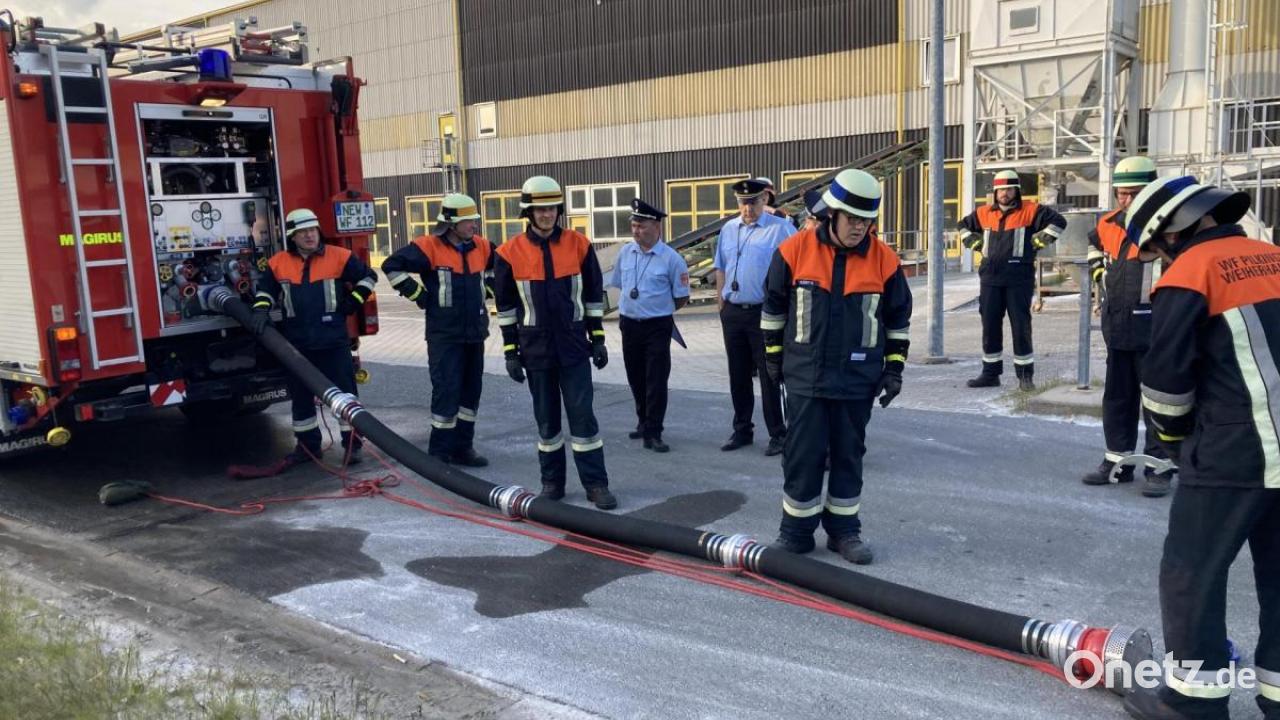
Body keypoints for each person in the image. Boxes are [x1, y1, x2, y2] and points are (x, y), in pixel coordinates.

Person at [1119, 175, 1280, 720]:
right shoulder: (1272, 255)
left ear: (1174, 231)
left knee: (1193, 571)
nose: (1160, 258)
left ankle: (1195, 700)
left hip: (1234, 451)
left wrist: (1175, 441)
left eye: (1158, 246)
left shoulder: (1190, 274)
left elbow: (1165, 384)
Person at [762, 169, 912, 565]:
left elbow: (897, 322)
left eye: (866, 221)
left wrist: (894, 369)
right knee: (802, 455)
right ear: (833, 214)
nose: (860, 228)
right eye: (853, 219)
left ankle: (844, 532)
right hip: (805, 377)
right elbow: (773, 309)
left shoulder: (886, 262)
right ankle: (794, 533)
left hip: (856, 381)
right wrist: (774, 357)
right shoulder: (794, 251)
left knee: (849, 455)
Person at [493, 175, 617, 510]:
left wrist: (599, 339)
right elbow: (505, 309)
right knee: (547, 421)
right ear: (528, 213)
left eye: (552, 208)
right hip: (535, 350)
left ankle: (596, 485)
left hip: (574, 345)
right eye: (540, 209)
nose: (547, 215)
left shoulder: (579, 245)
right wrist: (510, 353)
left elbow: (593, 297)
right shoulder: (507, 253)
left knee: (583, 419)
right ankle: (552, 483)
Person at [245, 207, 377, 472]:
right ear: (293, 236)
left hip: (333, 341)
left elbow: (368, 277)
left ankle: (353, 445)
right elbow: (266, 292)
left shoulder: (340, 257)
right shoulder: (278, 262)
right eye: (303, 232)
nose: (309, 236)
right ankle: (307, 447)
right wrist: (260, 310)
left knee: (345, 395)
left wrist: (354, 300)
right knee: (301, 398)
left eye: (313, 230)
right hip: (297, 344)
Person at [1080, 156, 1173, 497]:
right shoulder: (1108, 223)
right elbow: (1093, 243)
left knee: (1159, 403)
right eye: (1122, 193)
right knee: (1118, 398)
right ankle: (1117, 463)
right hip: (1118, 326)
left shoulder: (1170, 228)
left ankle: (1158, 467)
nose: (1127, 200)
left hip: (1156, 329)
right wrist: (1098, 274)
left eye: (1134, 193)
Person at [381, 193, 493, 467]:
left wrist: (487, 290)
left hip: (475, 334)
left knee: (470, 394)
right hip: (444, 336)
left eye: (475, 221)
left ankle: (463, 447)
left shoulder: (483, 246)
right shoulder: (428, 247)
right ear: (451, 223)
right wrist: (419, 294)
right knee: (447, 391)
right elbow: (391, 266)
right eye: (468, 222)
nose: (474, 226)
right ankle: (440, 453)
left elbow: (499, 269)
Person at [957, 170, 1067, 390]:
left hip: (1019, 279)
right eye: (1000, 190)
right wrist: (976, 244)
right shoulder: (984, 212)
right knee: (990, 327)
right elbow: (962, 227)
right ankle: (990, 374)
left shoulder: (1032, 210)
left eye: (1008, 189)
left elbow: (1059, 222)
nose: (1004, 194)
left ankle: (1025, 377)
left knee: (1021, 326)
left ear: (1016, 190)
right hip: (990, 278)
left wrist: (1037, 243)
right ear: (995, 192)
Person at [715, 177, 795, 456]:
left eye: (753, 202)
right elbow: (720, 266)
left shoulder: (781, 230)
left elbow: (793, 271)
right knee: (737, 374)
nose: (747, 208)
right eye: (742, 203)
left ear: (764, 199)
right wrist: (720, 300)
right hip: (734, 311)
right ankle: (742, 429)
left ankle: (778, 434)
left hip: (764, 313)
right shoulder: (727, 229)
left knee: (770, 374)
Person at [607, 198, 690, 452]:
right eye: (633, 225)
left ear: (657, 227)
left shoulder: (672, 259)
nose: (635, 230)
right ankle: (643, 422)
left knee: (655, 379)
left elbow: (682, 296)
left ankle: (654, 431)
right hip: (629, 325)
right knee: (636, 377)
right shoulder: (625, 252)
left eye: (641, 226)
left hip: (657, 327)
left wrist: (657, 311)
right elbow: (620, 284)